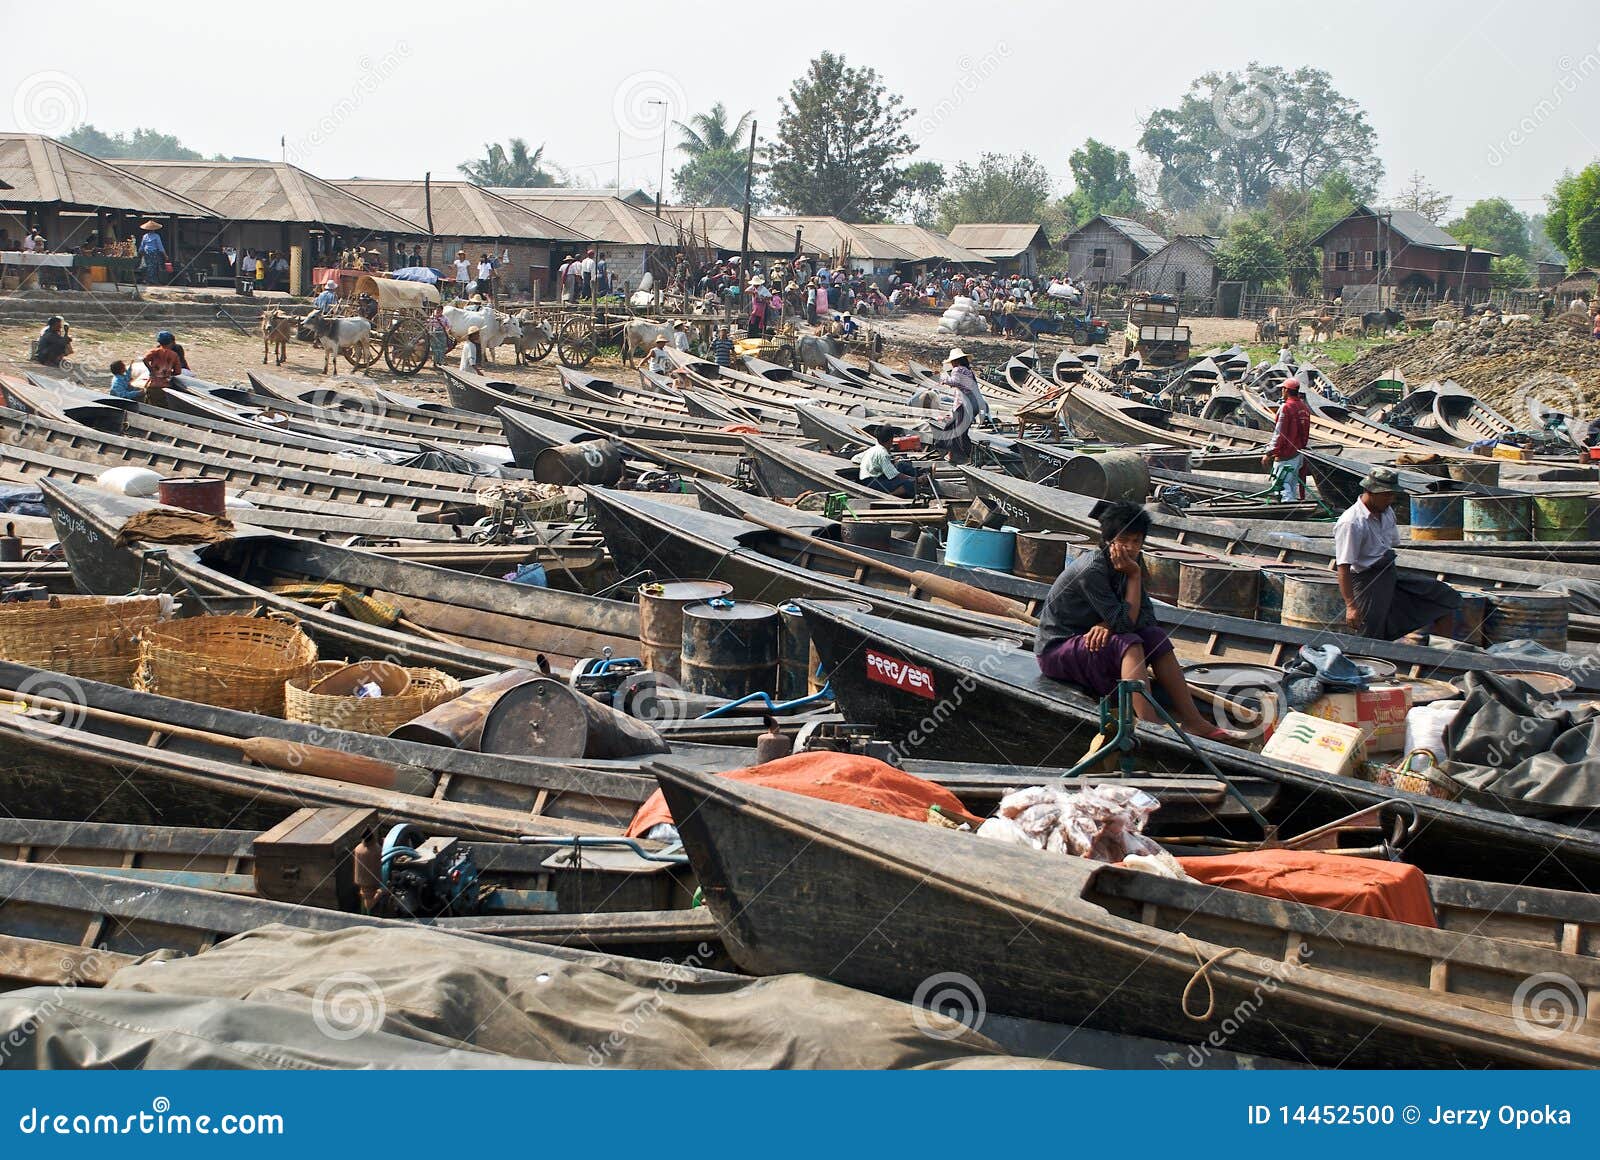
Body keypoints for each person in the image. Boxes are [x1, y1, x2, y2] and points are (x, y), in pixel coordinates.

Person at [1036, 501, 1235, 739]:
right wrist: (1131, 582)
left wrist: (1108, 621)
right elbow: (1125, 625)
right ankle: (1149, 723)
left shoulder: (1130, 565)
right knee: (1129, 642)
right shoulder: (1091, 570)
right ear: (1109, 540)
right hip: (1058, 651)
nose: (1131, 547)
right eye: (1124, 540)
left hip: (1095, 642)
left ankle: (1193, 720)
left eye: (1137, 541)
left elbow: (1147, 618)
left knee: (1155, 636)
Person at [1334, 468, 1461, 640]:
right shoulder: (1351, 522)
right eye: (1386, 494)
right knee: (1369, 635)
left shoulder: (1387, 512)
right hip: (1366, 580)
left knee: (1444, 597)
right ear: (1370, 491)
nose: (1391, 499)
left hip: (1389, 572)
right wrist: (1351, 606)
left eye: (1392, 494)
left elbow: (1389, 545)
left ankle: (1442, 659)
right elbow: (1343, 567)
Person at [1263, 375, 1311, 501]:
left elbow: (1279, 434)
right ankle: (1294, 507)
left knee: (1280, 486)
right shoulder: (1304, 408)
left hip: (1286, 454)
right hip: (1298, 453)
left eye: (1282, 390)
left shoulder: (1286, 408)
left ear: (1285, 390)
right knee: (1292, 484)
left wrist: (1269, 452)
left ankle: (1288, 511)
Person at [935, 347, 986, 464]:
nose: (952, 364)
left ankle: (967, 456)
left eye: (952, 362)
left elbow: (954, 382)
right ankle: (951, 454)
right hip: (974, 404)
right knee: (952, 428)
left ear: (956, 361)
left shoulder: (958, 370)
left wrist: (943, 378)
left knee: (959, 432)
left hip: (964, 405)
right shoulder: (969, 371)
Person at [852, 423, 917, 498]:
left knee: (901, 466)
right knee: (909, 484)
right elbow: (894, 475)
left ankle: (920, 475)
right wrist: (915, 479)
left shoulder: (874, 448)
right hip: (871, 481)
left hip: (866, 478)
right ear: (891, 440)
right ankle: (889, 496)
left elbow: (855, 458)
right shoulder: (882, 453)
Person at [141, 331, 185, 405]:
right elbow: (178, 372)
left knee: (150, 405)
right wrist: (169, 373)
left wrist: (151, 370)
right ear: (171, 342)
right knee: (163, 406)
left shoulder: (154, 351)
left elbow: (144, 359)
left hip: (152, 384)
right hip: (165, 386)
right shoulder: (174, 355)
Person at [137, 221, 166, 285]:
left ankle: (148, 280)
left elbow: (142, 246)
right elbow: (160, 246)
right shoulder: (156, 236)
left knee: (148, 266)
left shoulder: (145, 236)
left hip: (146, 253)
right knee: (153, 267)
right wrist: (165, 255)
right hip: (153, 253)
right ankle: (152, 281)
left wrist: (139, 253)